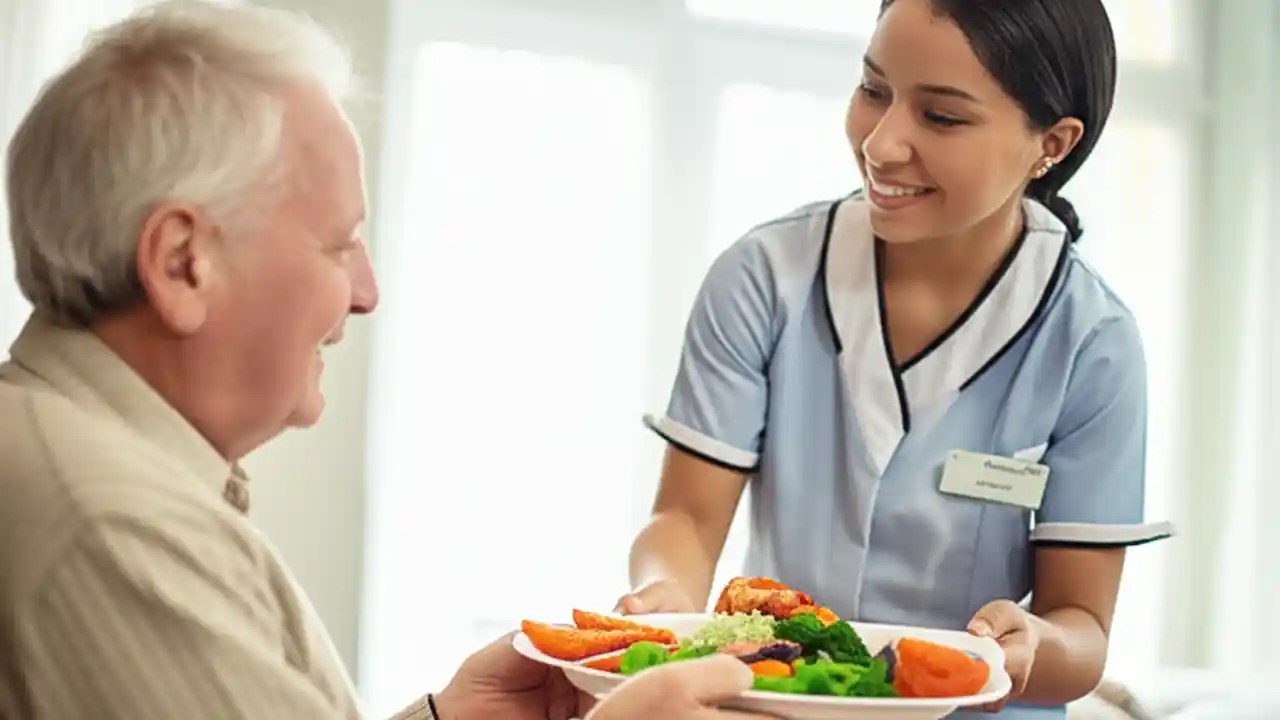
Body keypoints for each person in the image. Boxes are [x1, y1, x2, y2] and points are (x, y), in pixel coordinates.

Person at [0, 2, 770, 719]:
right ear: (181, 263)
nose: (366, 294)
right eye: (338, 244)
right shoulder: (113, 523)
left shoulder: (77, 464)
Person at [617, 0, 1173, 718]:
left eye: (941, 117)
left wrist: (1032, 642)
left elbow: (1082, 628)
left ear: (1054, 143)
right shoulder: (765, 276)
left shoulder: (1091, 341)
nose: (880, 144)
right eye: (874, 90)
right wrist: (666, 597)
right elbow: (687, 521)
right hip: (782, 704)